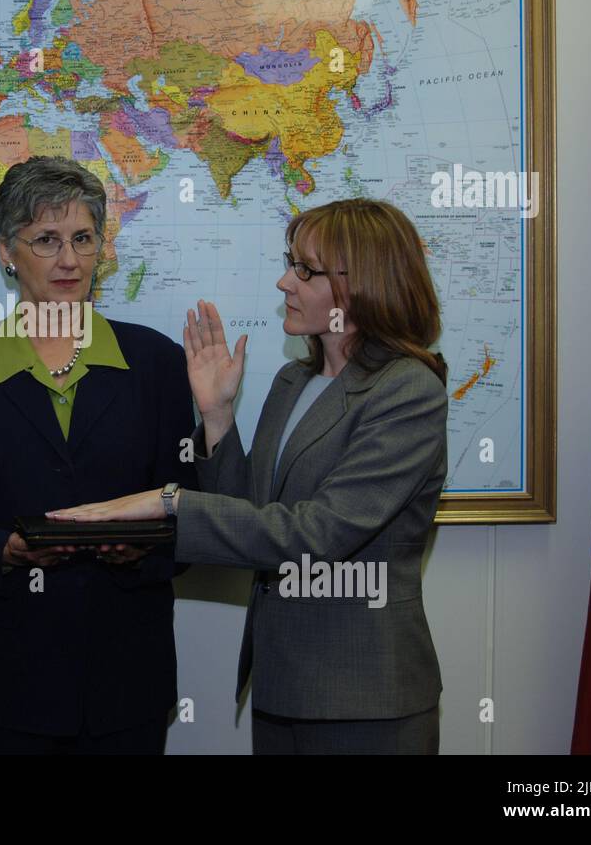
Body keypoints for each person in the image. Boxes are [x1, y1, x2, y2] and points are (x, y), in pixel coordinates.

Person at [50, 198, 448, 754]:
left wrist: (169, 503)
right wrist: (216, 416)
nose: (285, 281)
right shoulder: (293, 380)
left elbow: (317, 534)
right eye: (291, 262)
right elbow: (253, 514)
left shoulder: (407, 390)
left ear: (362, 285)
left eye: (305, 270)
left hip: (365, 699)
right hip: (282, 684)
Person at [0, 155, 196, 754]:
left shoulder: (158, 364)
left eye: (83, 238)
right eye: (46, 240)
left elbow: (192, 517)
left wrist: (135, 550)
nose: (69, 260)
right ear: (6, 252)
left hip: (124, 687)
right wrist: (5, 550)